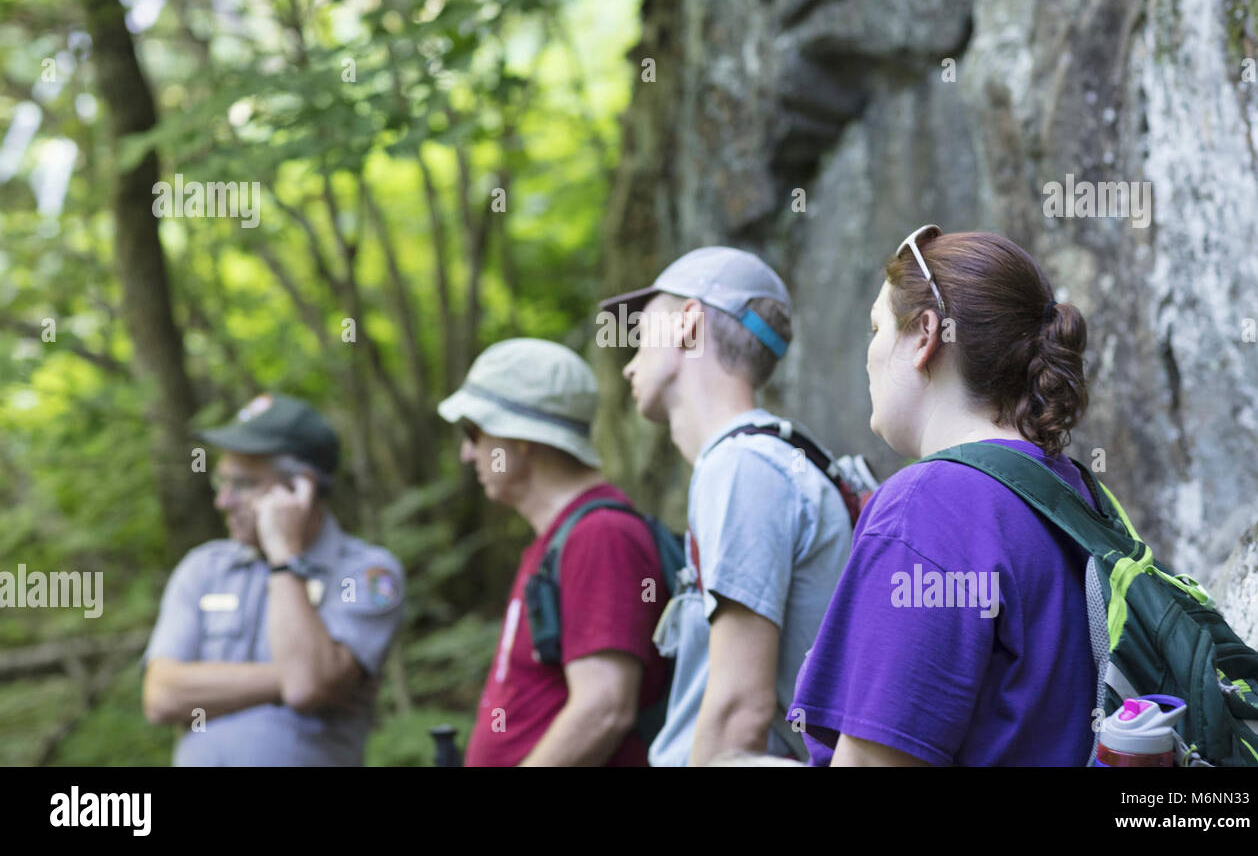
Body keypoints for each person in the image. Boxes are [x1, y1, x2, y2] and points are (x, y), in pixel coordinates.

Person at [790, 225, 1097, 765]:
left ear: (924, 335)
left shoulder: (929, 506)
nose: (868, 356)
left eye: (876, 328)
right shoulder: (1073, 491)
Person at [600, 246, 852, 766]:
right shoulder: (776, 456)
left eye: (641, 331)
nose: (628, 362)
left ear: (688, 322)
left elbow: (739, 714)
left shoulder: (743, 468)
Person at [438, 338, 670, 766]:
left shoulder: (600, 536)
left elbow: (603, 709)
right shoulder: (562, 539)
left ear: (522, 439)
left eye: (474, 432)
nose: (467, 453)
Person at [141, 393, 404, 766]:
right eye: (223, 482)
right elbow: (162, 695)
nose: (224, 501)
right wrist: (290, 676)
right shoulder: (204, 568)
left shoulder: (367, 573)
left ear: (302, 488)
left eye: (244, 484)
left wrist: (284, 558)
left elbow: (307, 690)